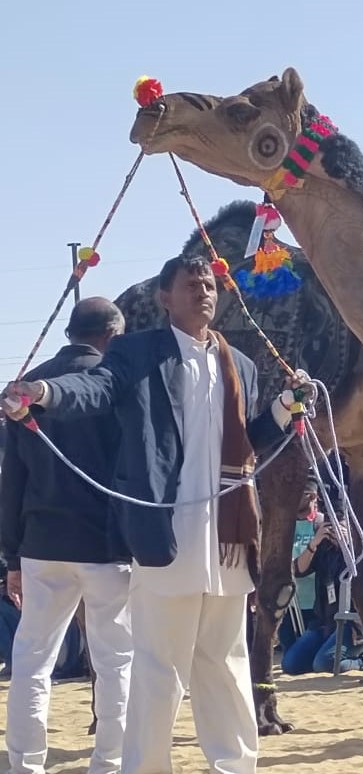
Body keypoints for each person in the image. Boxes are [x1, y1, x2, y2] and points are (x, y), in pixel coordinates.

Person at [2, 254, 306, 774]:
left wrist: (284, 408)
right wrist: (45, 392)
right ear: (166, 298)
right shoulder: (137, 353)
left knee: (226, 662)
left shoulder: (241, 365)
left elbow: (245, 443)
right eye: (191, 285)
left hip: (228, 540)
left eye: (208, 284)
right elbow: (95, 389)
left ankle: (234, 766)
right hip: (166, 535)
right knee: (157, 669)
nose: (203, 292)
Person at [1, 298, 132, 774]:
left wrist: (12, 557)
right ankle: (109, 762)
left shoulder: (27, 385)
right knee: (115, 660)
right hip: (105, 544)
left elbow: (12, 481)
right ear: (113, 335)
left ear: (70, 333)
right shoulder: (116, 383)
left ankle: (25, 764)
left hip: (42, 543)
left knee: (32, 659)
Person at [281, 476, 363, 675]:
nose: (333, 530)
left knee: (324, 664)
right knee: (290, 665)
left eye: (338, 524)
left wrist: (348, 544)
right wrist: (314, 543)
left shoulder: (360, 549)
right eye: (329, 524)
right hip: (323, 623)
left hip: (350, 625)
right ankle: (325, 653)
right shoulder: (323, 547)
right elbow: (298, 570)